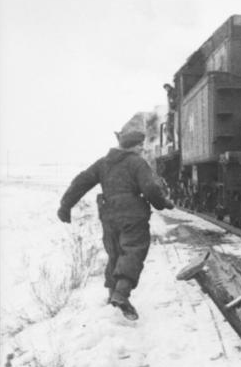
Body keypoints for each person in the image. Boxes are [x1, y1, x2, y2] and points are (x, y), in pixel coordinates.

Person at [57, 117, 174, 320]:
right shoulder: (137, 163)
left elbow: (82, 181)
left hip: (108, 215)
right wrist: (163, 203)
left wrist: (65, 206)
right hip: (133, 215)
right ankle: (121, 294)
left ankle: (112, 297)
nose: (143, 149)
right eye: (141, 146)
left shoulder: (103, 163)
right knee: (133, 251)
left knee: (115, 254)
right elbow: (150, 188)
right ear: (135, 146)